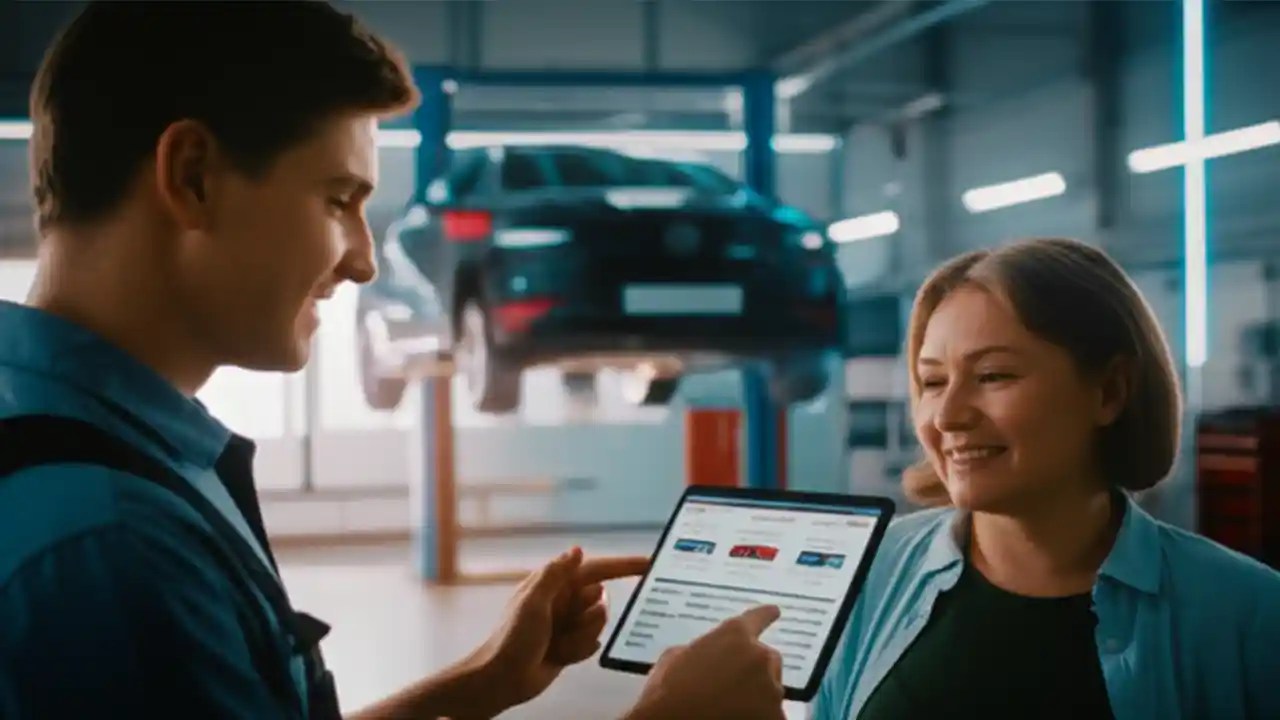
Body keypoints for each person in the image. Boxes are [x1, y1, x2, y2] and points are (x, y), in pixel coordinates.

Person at [0, 3, 788, 719]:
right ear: (193, 177)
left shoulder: (82, 440)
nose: (366, 263)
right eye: (339, 200)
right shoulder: (114, 544)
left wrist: (473, 685)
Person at [811, 237, 1280, 720]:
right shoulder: (871, 572)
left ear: (1108, 391)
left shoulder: (1248, 617)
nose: (947, 416)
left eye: (993, 375)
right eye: (933, 382)